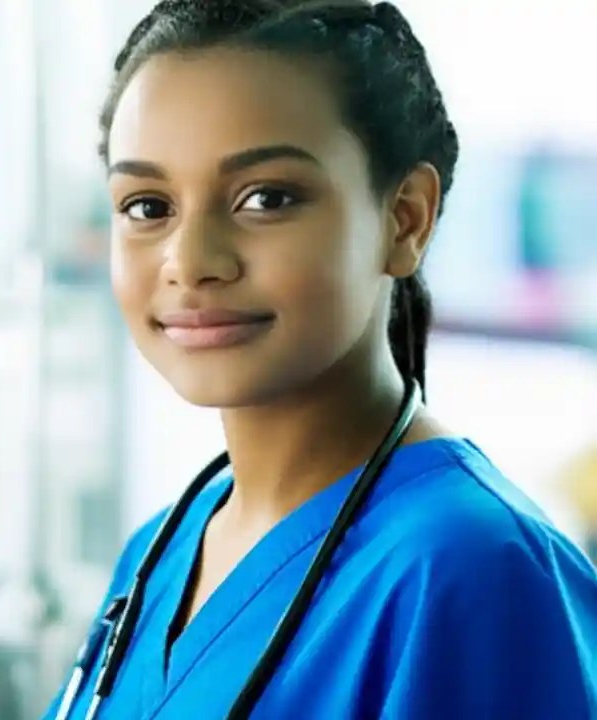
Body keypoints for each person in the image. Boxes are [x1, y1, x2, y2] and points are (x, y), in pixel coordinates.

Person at [44, 1, 597, 718]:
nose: (191, 262)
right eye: (148, 207)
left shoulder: (471, 570)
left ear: (405, 219)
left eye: (266, 198)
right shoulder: (160, 551)